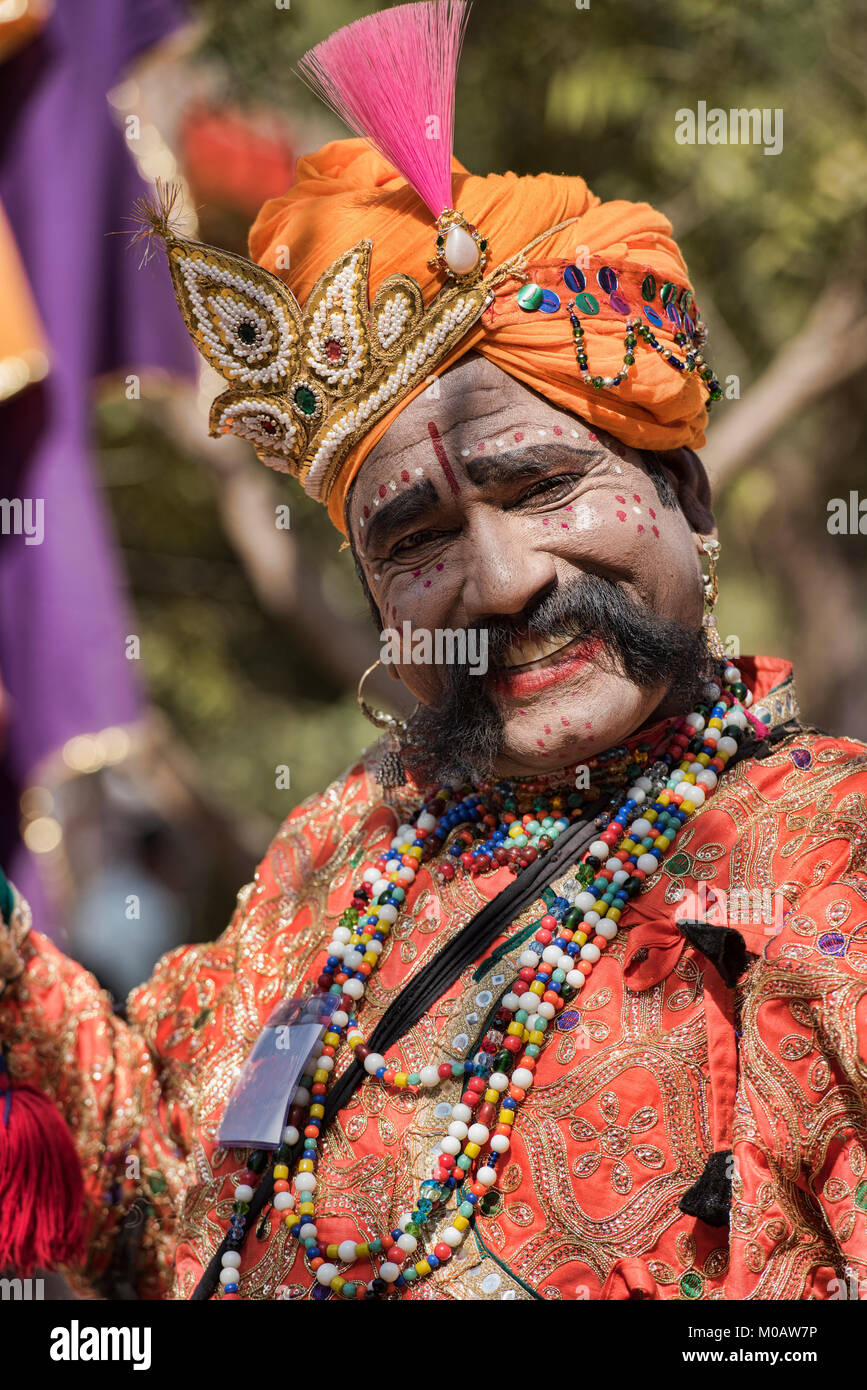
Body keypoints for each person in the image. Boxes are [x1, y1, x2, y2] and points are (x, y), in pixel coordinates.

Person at [1, 1, 865, 1303]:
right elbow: (166, 1198)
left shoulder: (823, 858)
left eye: (542, 486)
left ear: (690, 492)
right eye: (416, 539)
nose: (503, 580)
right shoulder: (344, 844)